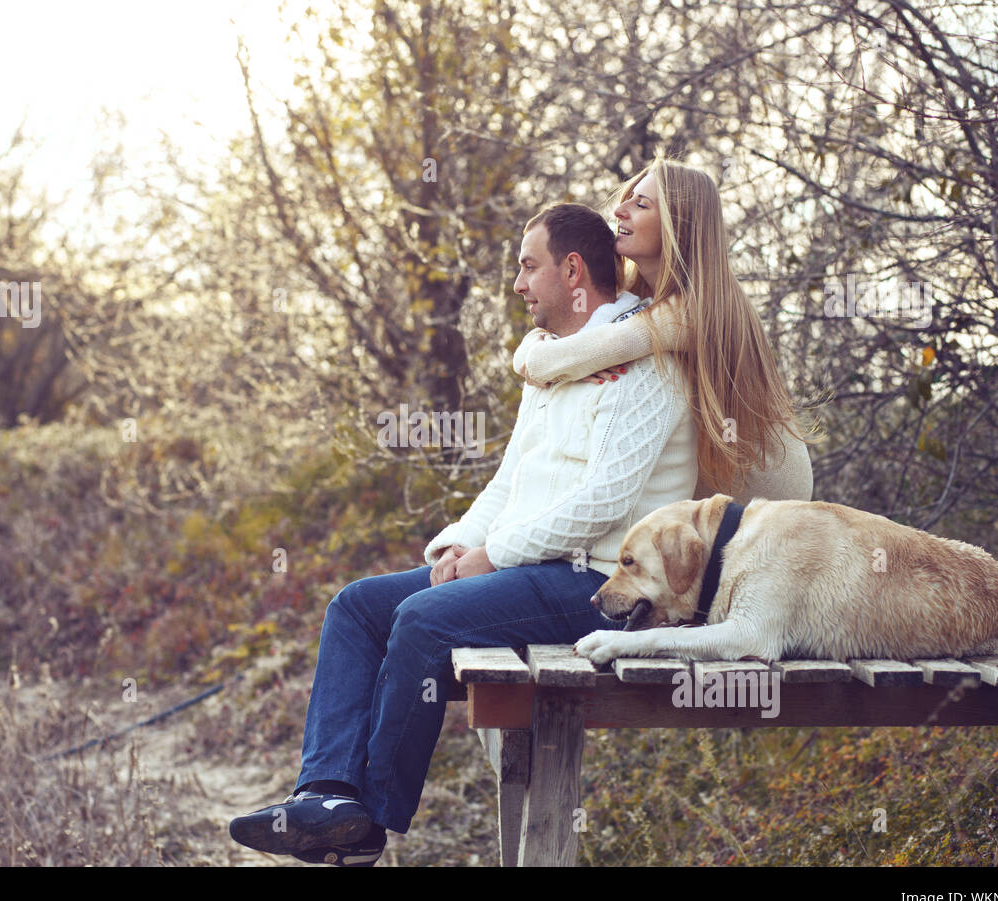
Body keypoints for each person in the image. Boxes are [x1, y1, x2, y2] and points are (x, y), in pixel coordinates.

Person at [228, 202, 700, 865]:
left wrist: (493, 556)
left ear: (571, 270)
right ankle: (329, 795)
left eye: (527, 266)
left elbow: (606, 500)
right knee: (358, 607)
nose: (516, 284)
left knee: (422, 620)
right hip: (533, 569)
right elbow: (511, 480)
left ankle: (369, 823)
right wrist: (457, 544)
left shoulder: (644, 360)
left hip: (605, 583)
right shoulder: (556, 362)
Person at [514, 156, 820, 502]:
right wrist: (536, 345)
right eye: (627, 199)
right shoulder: (644, 295)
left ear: (679, 224)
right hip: (709, 499)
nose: (619, 211)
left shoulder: (698, 307)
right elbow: (577, 346)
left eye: (640, 204)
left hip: (761, 508)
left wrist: (535, 358)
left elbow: (569, 357)